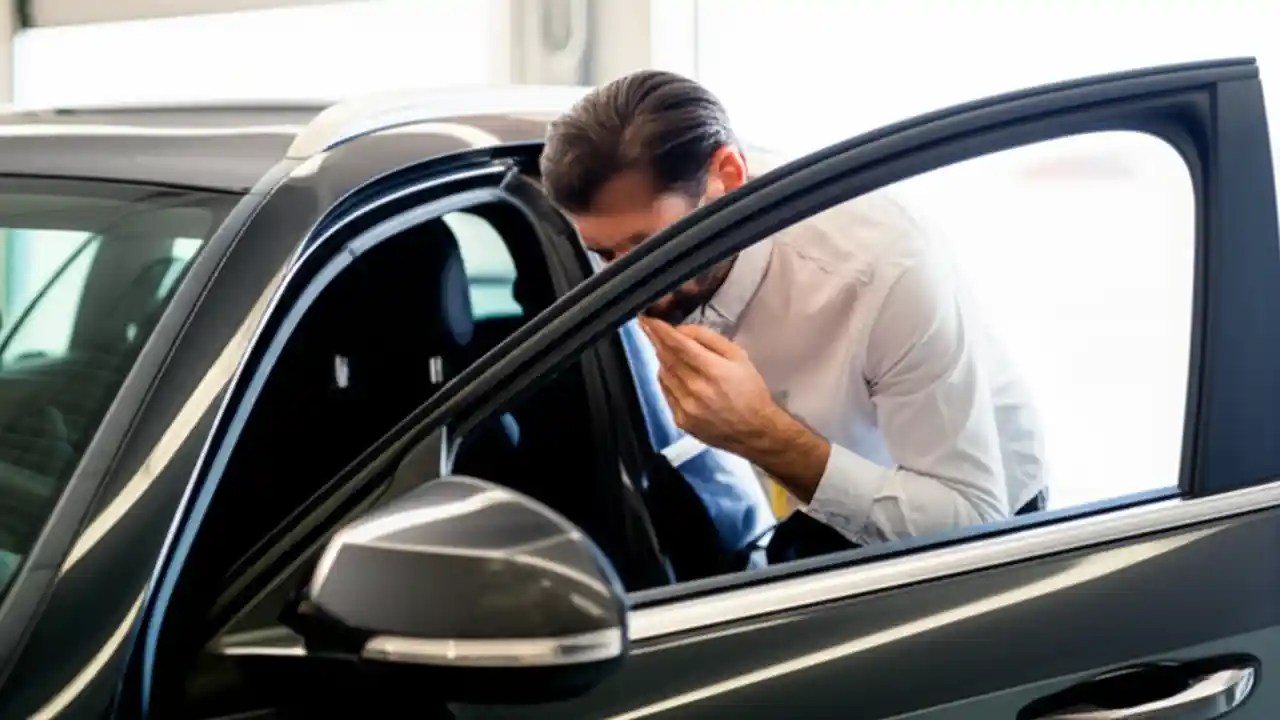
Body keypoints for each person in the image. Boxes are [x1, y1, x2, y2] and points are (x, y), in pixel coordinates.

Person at [539, 70, 1046, 551]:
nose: (634, 286)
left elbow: (975, 521)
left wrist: (764, 437)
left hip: (965, 520)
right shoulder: (656, 228)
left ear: (728, 178)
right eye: (606, 256)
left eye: (651, 249)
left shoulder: (881, 271)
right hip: (817, 505)